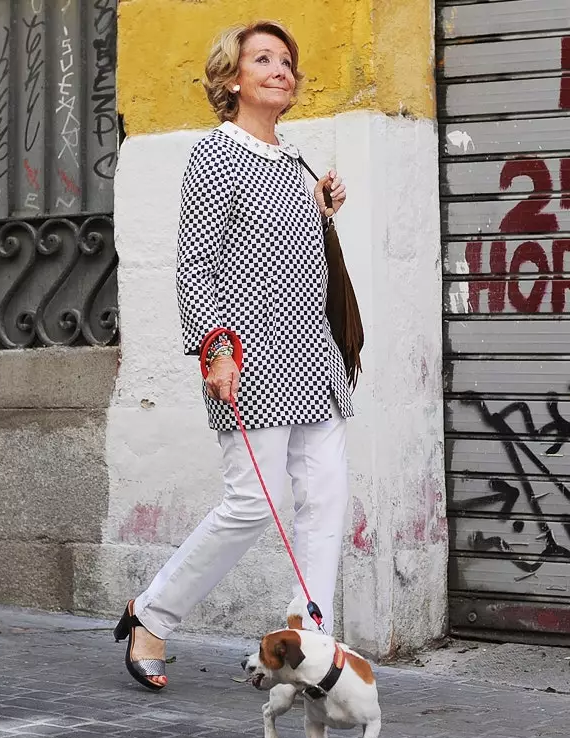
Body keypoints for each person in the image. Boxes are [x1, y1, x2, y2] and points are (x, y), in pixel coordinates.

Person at [114, 19, 352, 691]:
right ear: (230, 79)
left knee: (327, 499)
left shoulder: (296, 161)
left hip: (313, 355)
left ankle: (304, 639)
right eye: (264, 59)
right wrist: (215, 348)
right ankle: (152, 616)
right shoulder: (215, 157)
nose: (282, 69)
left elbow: (296, 252)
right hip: (250, 358)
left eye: (288, 61)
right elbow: (196, 265)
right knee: (253, 503)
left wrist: (326, 208)